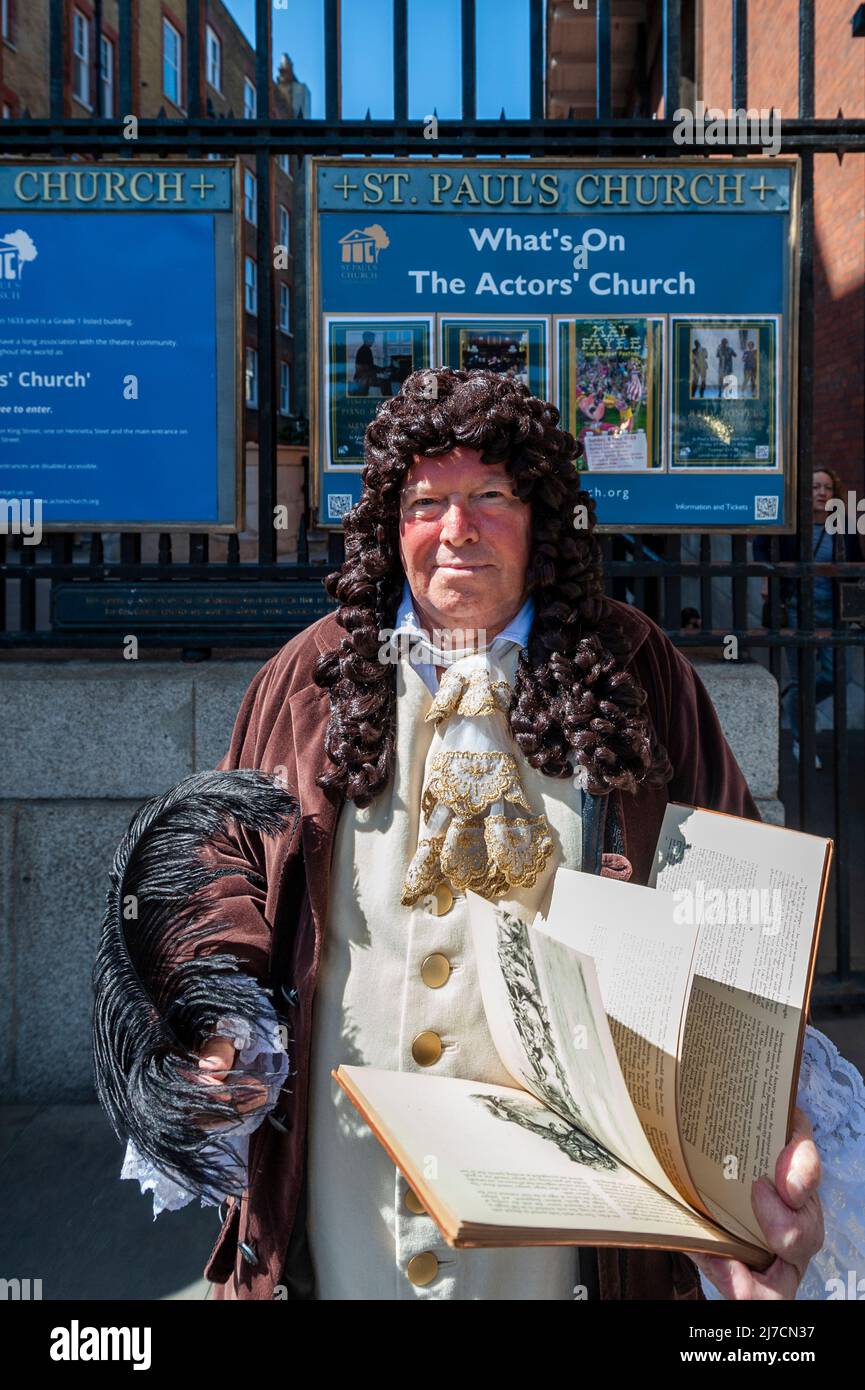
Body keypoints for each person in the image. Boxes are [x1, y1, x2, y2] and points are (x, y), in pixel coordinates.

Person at [97, 369, 831, 1302]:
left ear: (542, 517)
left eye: (490, 496)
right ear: (388, 525)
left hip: (570, 1216)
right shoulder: (303, 680)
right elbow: (218, 869)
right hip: (344, 1191)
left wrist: (745, 1156)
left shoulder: (639, 672)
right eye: (426, 502)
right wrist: (213, 1016)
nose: (456, 530)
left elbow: (734, 913)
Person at [754, 467, 862, 765]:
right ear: (806, 491)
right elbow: (761, 546)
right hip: (796, 611)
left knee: (840, 677)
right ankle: (802, 741)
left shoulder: (845, 526)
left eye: (827, 487)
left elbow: (856, 568)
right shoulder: (792, 525)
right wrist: (766, 578)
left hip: (833, 613)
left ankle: (795, 703)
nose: (822, 493)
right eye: (815, 487)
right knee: (803, 677)